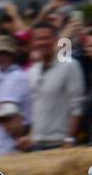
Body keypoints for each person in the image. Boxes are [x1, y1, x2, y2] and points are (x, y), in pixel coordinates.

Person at [18, 21, 84, 150]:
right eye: (38, 39)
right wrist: (30, 135)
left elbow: (77, 106)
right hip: (36, 144)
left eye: (46, 38)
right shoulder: (33, 71)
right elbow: (36, 108)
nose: (42, 42)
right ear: (32, 43)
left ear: (55, 39)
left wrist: (70, 138)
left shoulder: (70, 65)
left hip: (60, 143)